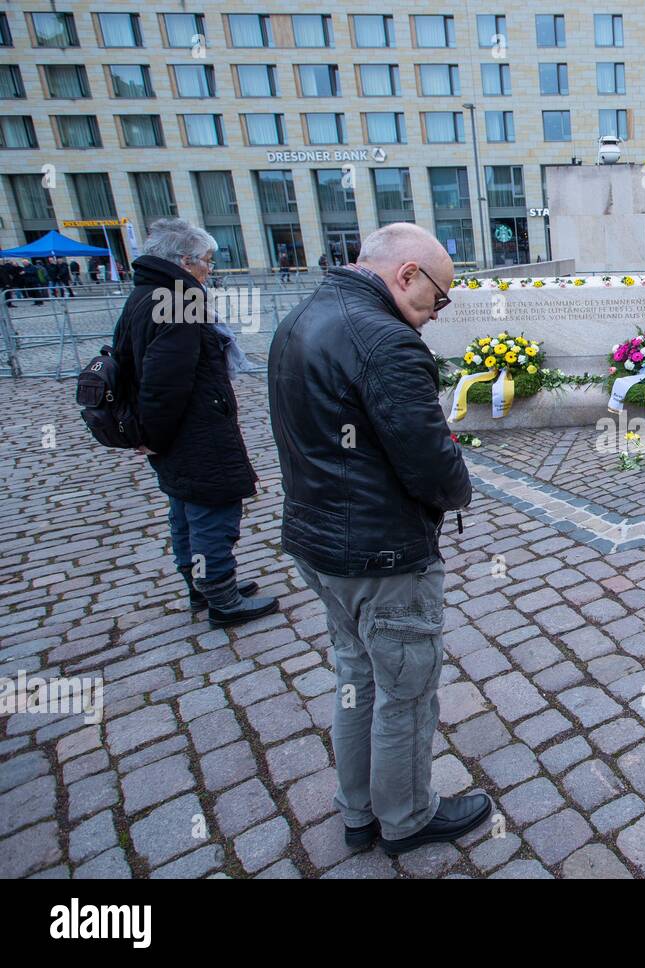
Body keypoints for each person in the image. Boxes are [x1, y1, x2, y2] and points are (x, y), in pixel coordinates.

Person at [268, 223, 484, 857]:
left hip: (320, 544)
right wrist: (458, 491)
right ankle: (407, 818)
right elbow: (429, 462)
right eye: (437, 297)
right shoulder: (387, 341)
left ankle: (359, 812)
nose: (435, 314)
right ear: (407, 275)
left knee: (356, 677)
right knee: (406, 690)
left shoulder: (301, 317)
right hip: (381, 550)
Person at [110, 218, 276, 627]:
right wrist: (155, 435)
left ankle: (203, 585)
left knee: (185, 507)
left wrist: (152, 435)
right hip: (194, 429)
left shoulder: (146, 293)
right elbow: (165, 380)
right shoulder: (180, 299)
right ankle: (221, 598)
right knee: (211, 508)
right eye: (206, 261)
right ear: (183, 261)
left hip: (177, 431)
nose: (210, 268)